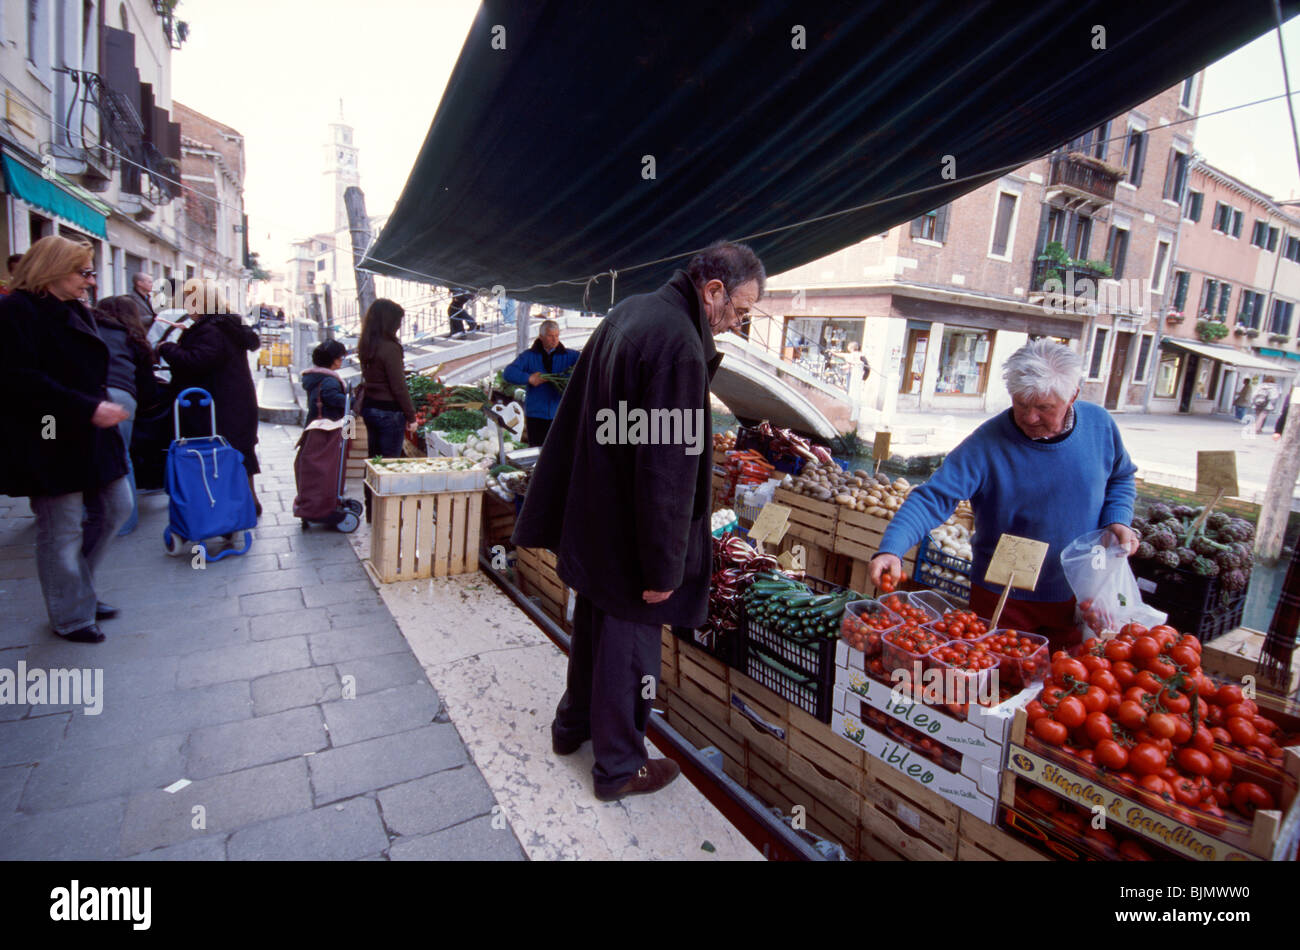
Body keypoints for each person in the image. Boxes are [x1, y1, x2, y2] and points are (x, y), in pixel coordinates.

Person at [514, 240, 764, 802]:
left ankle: (571, 728)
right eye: (740, 312)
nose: (737, 325)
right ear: (714, 291)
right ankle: (621, 768)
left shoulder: (631, 311)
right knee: (630, 652)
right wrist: (663, 563)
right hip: (630, 534)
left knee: (593, 634)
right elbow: (666, 471)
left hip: (598, 517)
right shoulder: (678, 345)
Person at [869, 339, 1139, 651]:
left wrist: (1118, 520)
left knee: (1064, 681)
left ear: (1073, 396)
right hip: (1003, 596)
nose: (1030, 418)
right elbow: (933, 498)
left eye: (1044, 408)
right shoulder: (986, 444)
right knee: (999, 683)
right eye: (1021, 404)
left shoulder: (1100, 425)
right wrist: (891, 549)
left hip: (1078, 591)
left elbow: (1120, 477)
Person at [0, 236, 131, 642]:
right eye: (84, 272)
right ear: (52, 269)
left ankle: (79, 591)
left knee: (116, 508)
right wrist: (87, 407)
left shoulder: (74, 308)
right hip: (48, 431)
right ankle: (70, 613)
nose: (91, 281)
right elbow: (19, 379)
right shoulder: (14, 311)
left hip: (90, 430)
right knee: (61, 527)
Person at [157, 279, 263, 516]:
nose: (186, 308)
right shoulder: (226, 325)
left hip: (219, 405)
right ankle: (248, 503)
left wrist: (167, 348)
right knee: (240, 452)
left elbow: (197, 361)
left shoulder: (211, 329)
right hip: (235, 403)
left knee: (223, 455)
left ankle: (231, 510)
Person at [91, 295, 159, 536]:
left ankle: (88, 519)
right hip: (122, 397)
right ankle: (124, 524)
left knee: (88, 458)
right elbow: (147, 385)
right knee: (122, 458)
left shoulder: (87, 328)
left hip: (89, 397)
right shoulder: (132, 337)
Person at [358, 299, 417, 519]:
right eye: (399, 320)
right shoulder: (390, 347)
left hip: (370, 408)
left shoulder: (367, 343)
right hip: (389, 412)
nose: (400, 325)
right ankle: (387, 515)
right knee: (388, 465)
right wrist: (411, 416)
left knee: (374, 461)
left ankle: (372, 510)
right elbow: (398, 386)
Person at [501, 320, 581, 446]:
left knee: (560, 453)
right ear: (541, 337)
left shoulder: (571, 356)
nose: (555, 340)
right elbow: (508, 373)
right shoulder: (528, 356)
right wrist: (529, 378)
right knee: (537, 453)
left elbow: (589, 365)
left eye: (557, 336)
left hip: (560, 414)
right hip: (536, 415)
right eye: (550, 336)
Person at [303, 339, 348, 424]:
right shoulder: (329, 380)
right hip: (328, 428)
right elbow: (333, 398)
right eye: (341, 357)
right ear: (334, 360)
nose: (342, 360)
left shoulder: (315, 376)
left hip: (315, 425)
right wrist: (353, 401)